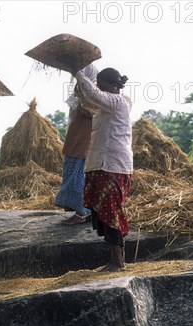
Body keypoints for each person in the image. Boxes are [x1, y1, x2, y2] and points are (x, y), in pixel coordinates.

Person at [72, 67, 133, 272]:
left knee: (111, 212)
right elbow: (88, 101)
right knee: (103, 212)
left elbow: (94, 95)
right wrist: (80, 86)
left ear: (111, 85)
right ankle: (115, 259)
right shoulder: (106, 106)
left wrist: (77, 72)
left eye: (100, 82)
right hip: (101, 164)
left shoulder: (118, 101)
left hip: (113, 165)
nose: (97, 86)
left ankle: (118, 261)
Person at [55, 63, 98, 225]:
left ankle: (82, 213)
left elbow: (91, 111)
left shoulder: (92, 92)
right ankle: (84, 212)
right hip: (76, 139)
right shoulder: (82, 91)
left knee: (78, 177)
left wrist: (82, 97)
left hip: (83, 141)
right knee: (74, 175)